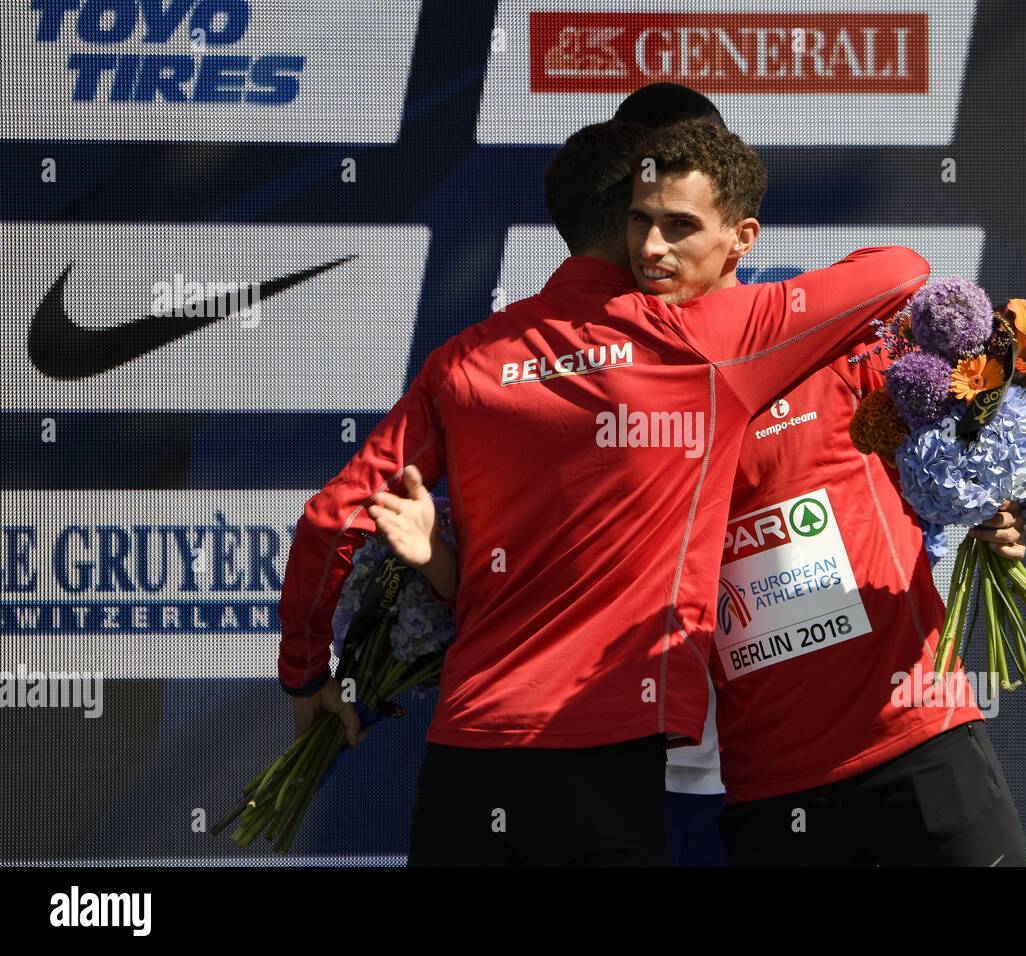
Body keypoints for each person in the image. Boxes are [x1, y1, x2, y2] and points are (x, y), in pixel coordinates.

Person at [276, 115, 931, 865]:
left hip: (465, 754)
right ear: (628, 226)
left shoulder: (465, 361)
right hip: (603, 754)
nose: (657, 247)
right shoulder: (705, 340)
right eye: (647, 222)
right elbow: (901, 272)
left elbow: (331, 519)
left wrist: (305, 676)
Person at [618, 90, 1026, 866]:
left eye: (680, 225)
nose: (654, 248)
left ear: (740, 239)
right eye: (640, 220)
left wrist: (992, 508)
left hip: (918, 747)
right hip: (772, 792)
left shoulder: (833, 348)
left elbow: (955, 444)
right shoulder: (618, 406)